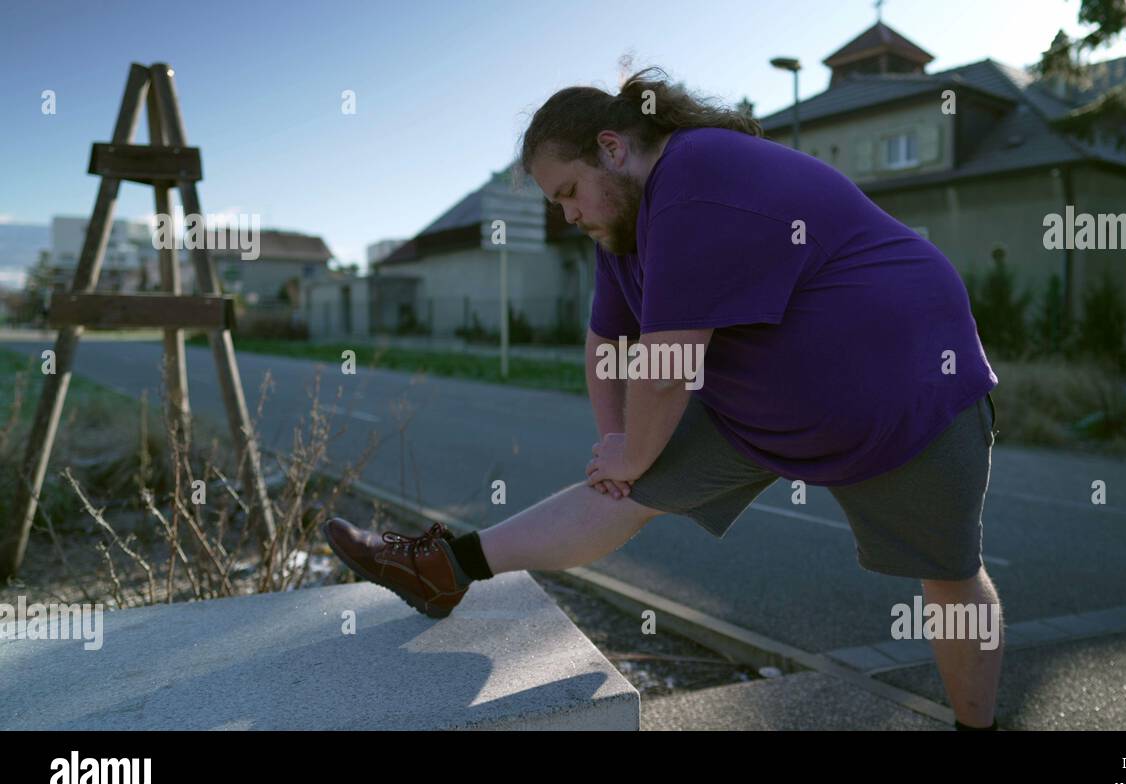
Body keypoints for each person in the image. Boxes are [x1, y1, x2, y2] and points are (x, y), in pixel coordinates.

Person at [324, 66, 1003, 731]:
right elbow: (606, 346)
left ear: (612, 148)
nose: (568, 215)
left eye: (569, 191)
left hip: (906, 386)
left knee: (948, 578)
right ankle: (446, 570)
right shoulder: (620, 228)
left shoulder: (694, 174)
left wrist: (633, 450)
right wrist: (615, 452)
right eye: (556, 204)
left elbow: (669, 364)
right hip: (764, 403)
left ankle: (977, 726)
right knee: (624, 492)